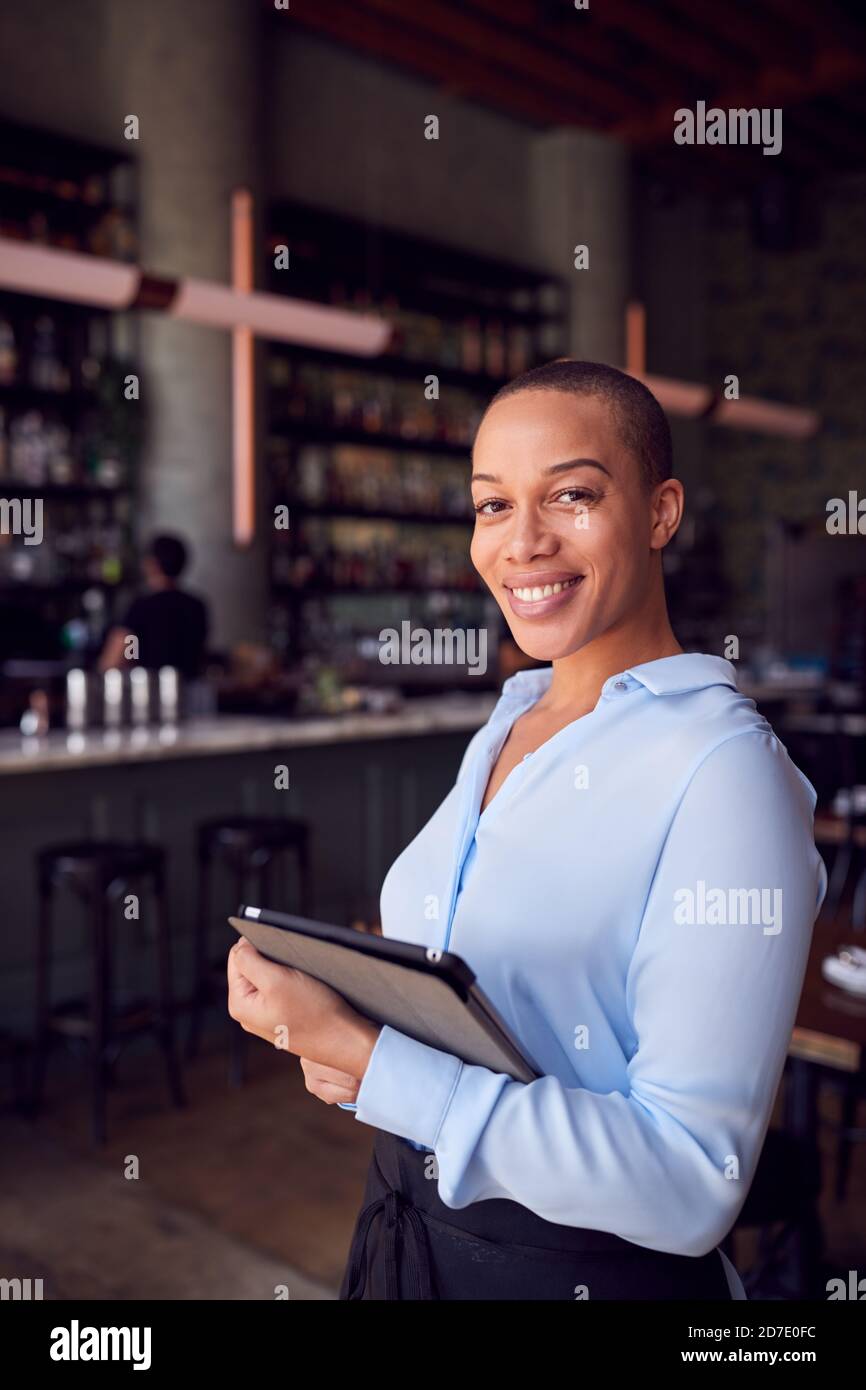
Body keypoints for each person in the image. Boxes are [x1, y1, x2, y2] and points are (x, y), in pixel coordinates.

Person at [227, 361, 827, 1300]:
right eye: (492, 506)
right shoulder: (511, 716)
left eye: (572, 496)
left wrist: (375, 1060)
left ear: (662, 512)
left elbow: (687, 1184)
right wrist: (344, 1010)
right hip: (405, 1243)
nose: (523, 542)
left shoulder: (725, 775)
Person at [99, 533, 209, 679]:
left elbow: (117, 659)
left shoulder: (141, 607)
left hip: (149, 693)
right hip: (191, 694)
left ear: (151, 564)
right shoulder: (196, 606)